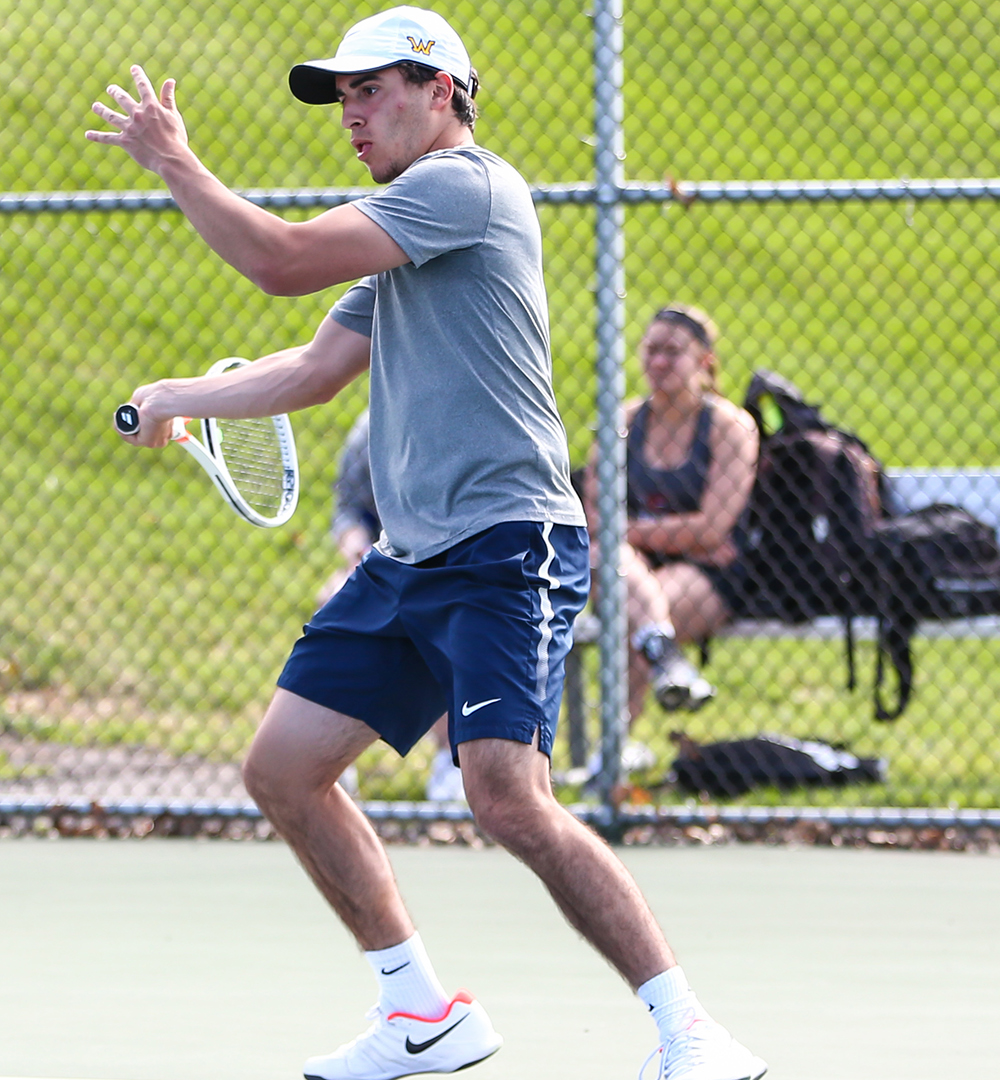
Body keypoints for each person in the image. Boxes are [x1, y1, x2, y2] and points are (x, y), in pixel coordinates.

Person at [87, 8, 766, 1079]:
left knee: (504, 795)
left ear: (440, 89)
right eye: (342, 97)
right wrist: (183, 394)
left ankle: (691, 1030)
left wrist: (176, 164)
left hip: (509, 548)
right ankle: (418, 1011)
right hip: (410, 559)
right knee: (284, 769)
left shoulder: (465, 188)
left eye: (372, 90)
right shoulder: (404, 233)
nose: (351, 114)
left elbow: (278, 260)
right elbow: (310, 371)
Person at [581, 307, 760, 732]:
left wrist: (630, 532)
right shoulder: (621, 423)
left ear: (705, 362)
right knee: (619, 569)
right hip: (627, 565)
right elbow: (591, 516)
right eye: (651, 350)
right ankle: (663, 660)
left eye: (673, 352)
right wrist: (681, 534)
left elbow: (715, 528)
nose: (658, 362)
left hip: (708, 574)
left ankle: (613, 752)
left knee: (631, 606)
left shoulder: (729, 427)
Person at [317, 364, 462, 805]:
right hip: (383, 563)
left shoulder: (464, 431)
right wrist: (358, 549)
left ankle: (451, 762)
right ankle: (331, 765)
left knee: (442, 618)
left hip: (451, 569)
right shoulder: (367, 433)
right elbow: (347, 511)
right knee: (331, 601)